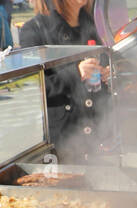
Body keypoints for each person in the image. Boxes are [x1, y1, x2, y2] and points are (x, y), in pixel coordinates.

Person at [18, 0, 109, 163]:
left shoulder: (95, 24)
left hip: (101, 134)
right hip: (63, 142)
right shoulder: (33, 30)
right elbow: (35, 86)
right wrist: (77, 73)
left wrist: (109, 72)